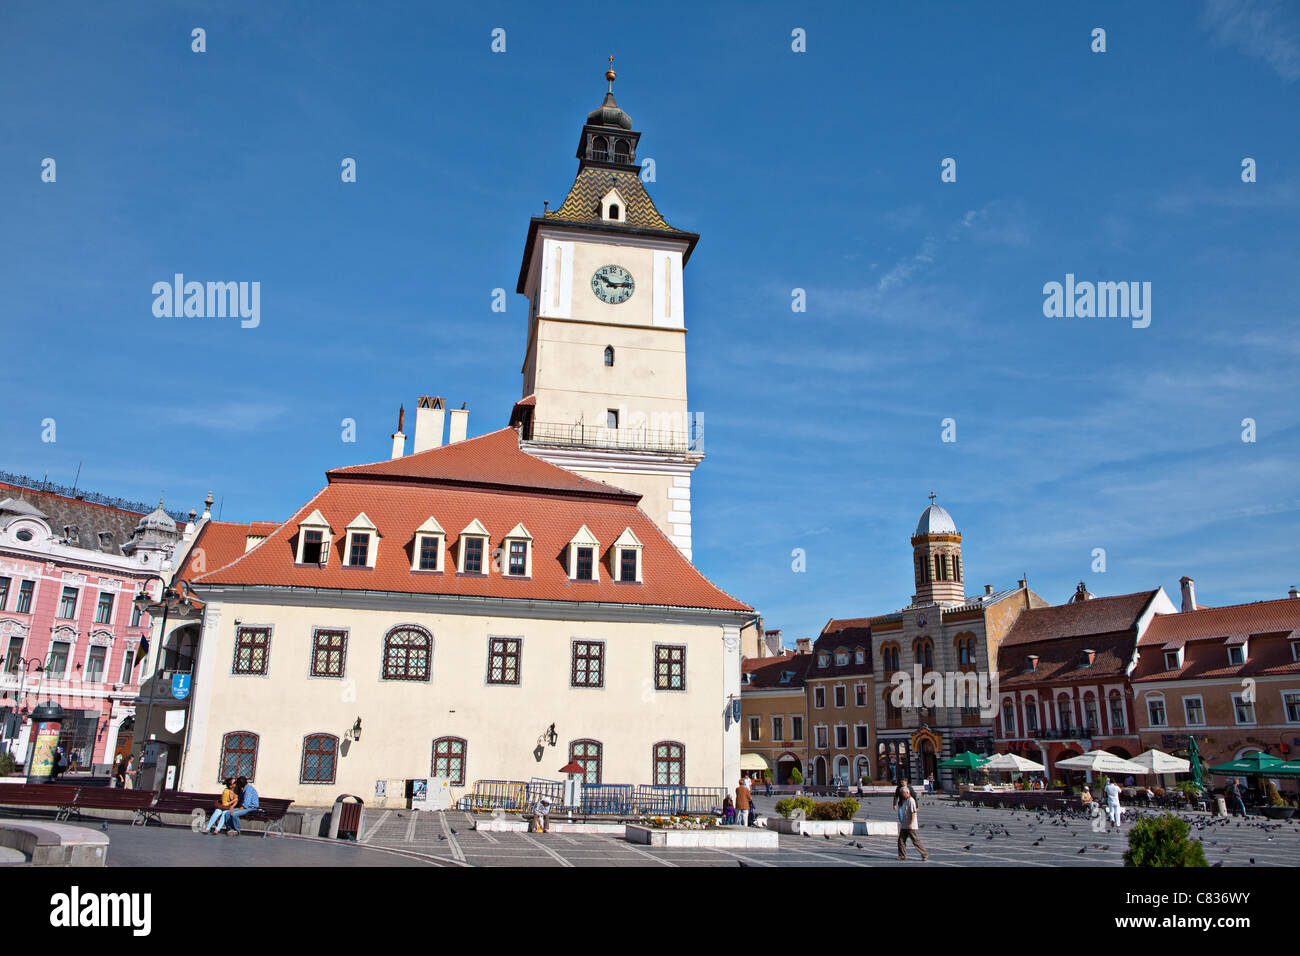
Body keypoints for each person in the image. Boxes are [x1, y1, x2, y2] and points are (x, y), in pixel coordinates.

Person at [896, 782, 929, 861]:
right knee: (901, 840)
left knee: (915, 841)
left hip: (910, 825)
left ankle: (924, 854)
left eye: (903, 793)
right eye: (901, 793)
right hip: (905, 824)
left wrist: (911, 823)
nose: (902, 795)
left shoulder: (911, 800)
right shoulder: (904, 801)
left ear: (907, 793)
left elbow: (913, 812)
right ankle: (902, 855)